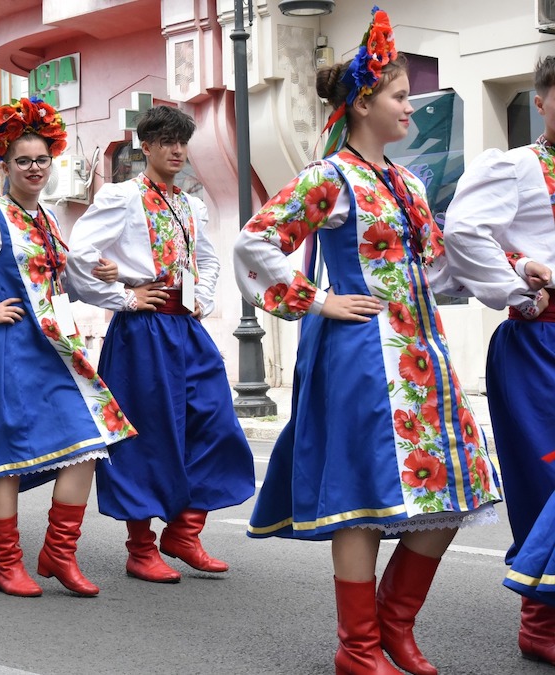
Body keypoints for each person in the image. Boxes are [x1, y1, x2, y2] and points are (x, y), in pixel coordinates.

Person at [232, 8, 502, 674]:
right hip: (359, 354)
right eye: (401, 95)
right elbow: (254, 240)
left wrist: (514, 265)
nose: (412, 106)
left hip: (423, 354)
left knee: (453, 492)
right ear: (362, 103)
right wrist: (318, 299)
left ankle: (393, 625)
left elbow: (436, 267)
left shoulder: (408, 183)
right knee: (363, 499)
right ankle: (358, 646)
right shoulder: (331, 178)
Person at [0, 96, 137, 598]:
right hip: (5, 349)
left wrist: (108, 277)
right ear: (6, 164)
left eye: (41, 159)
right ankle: (6, 561)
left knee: (88, 442)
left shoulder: (48, 219)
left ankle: (59, 551)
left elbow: (67, 279)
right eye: (22, 160)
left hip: (53, 347)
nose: (34, 168)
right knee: (7, 457)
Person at [67, 104, 255, 585]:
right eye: (166, 142)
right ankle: (140, 547)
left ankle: (185, 531)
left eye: (181, 142)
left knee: (216, 423)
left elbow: (209, 259)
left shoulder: (190, 203)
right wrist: (125, 296)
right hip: (141, 332)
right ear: (144, 146)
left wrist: (203, 298)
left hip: (186, 329)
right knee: (147, 436)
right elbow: (79, 260)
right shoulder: (121, 197)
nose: (176, 150)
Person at [435, 56, 555, 667]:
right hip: (541, 346)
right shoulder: (517, 168)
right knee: (545, 479)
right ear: (540, 101)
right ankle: (542, 614)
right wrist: (515, 285)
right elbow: (463, 231)